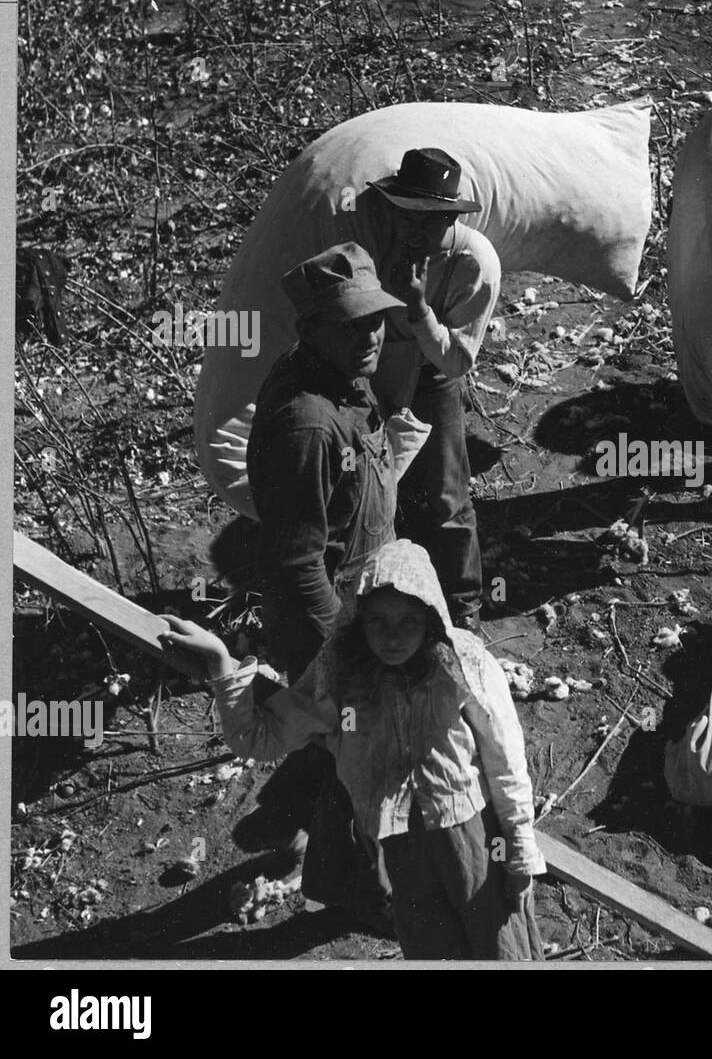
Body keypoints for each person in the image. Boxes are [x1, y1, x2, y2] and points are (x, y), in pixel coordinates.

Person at [160, 540, 547, 960]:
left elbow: (505, 760)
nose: (393, 636)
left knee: (501, 945)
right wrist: (220, 664)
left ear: (432, 618)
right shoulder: (340, 676)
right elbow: (260, 738)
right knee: (435, 949)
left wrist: (520, 853)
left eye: (409, 621)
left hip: (471, 839)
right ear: (358, 620)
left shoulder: (461, 665)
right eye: (378, 621)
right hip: (399, 849)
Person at [243, 241, 427, 930]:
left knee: (338, 736)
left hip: (354, 606)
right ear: (310, 330)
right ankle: (349, 889)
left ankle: (282, 809)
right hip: (331, 622)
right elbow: (295, 565)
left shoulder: (339, 379)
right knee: (363, 751)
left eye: (376, 319)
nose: (371, 336)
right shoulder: (308, 424)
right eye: (350, 325)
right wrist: (345, 659)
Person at [359, 147, 501, 634]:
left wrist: (418, 308)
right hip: (377, 363)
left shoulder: (473, 261)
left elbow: (457, 359)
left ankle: (464, 609)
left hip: (435, 370)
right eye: (406, 217)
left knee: (445, 494)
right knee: (375, 484)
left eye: (430, 220)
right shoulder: (382, 240)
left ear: (451, 217)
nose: (414, 232)